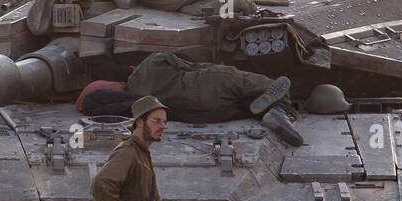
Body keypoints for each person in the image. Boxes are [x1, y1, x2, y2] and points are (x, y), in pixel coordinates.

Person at [79, 52, 303, 146]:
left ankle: (262, 110)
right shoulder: (152, 61)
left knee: (241, 103)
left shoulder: (139, 100)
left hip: (198, 107)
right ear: (130, 68)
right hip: (206, 82)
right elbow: (188, 64)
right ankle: (279, 111)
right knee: (276, 85)